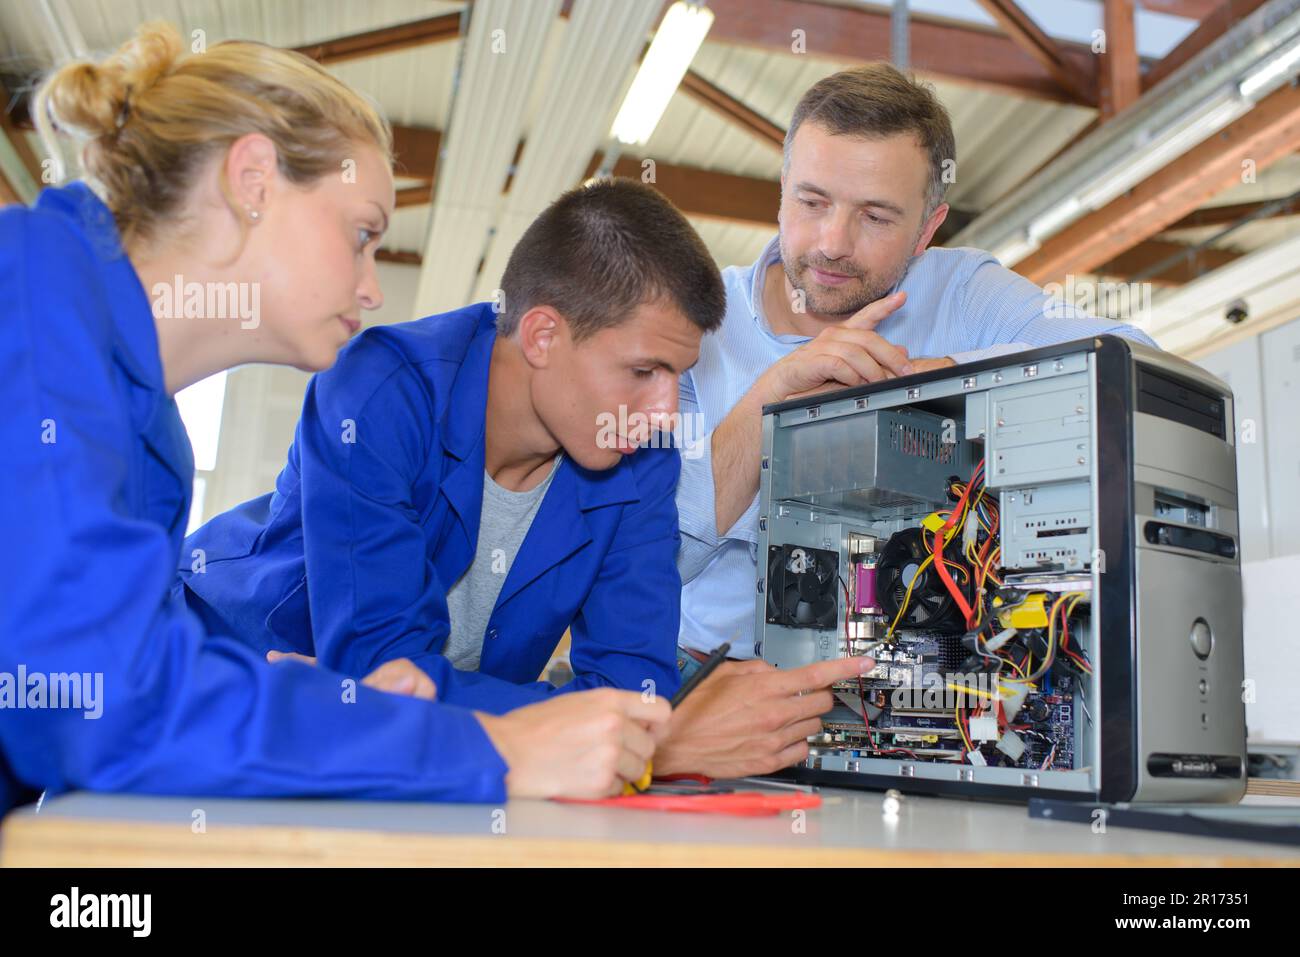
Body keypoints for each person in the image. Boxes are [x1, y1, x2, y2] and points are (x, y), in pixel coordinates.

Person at [0, 23, 668, 819]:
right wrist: (478, 747)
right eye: (361, 236)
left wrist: (349, 716)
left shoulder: (145, 426)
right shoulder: (32, 309)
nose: (373, 286)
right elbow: (99, 707)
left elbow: (90, 685)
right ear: (252, 179)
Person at [650, 63, 1159, 778]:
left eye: (876, 216)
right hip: (702, 703)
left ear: (928, 228)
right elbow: (646, 562)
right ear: (781, 192)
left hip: (914, 717)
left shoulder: (964, 294)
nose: (832, 242)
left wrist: (934, 377)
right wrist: (773, 394)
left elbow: (1134, 363)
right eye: (812, 201)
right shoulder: (692, 330)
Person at [179, 178, 724, 713]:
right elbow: (383, 670)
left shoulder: (642, 457)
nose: (665, 413)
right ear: (542, 336)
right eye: (643, 370)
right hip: (208, 678)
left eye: (676, 376)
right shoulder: (381, 391)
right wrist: (563, 717)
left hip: (420, 758)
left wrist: (394, 694)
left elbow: (637, 696)